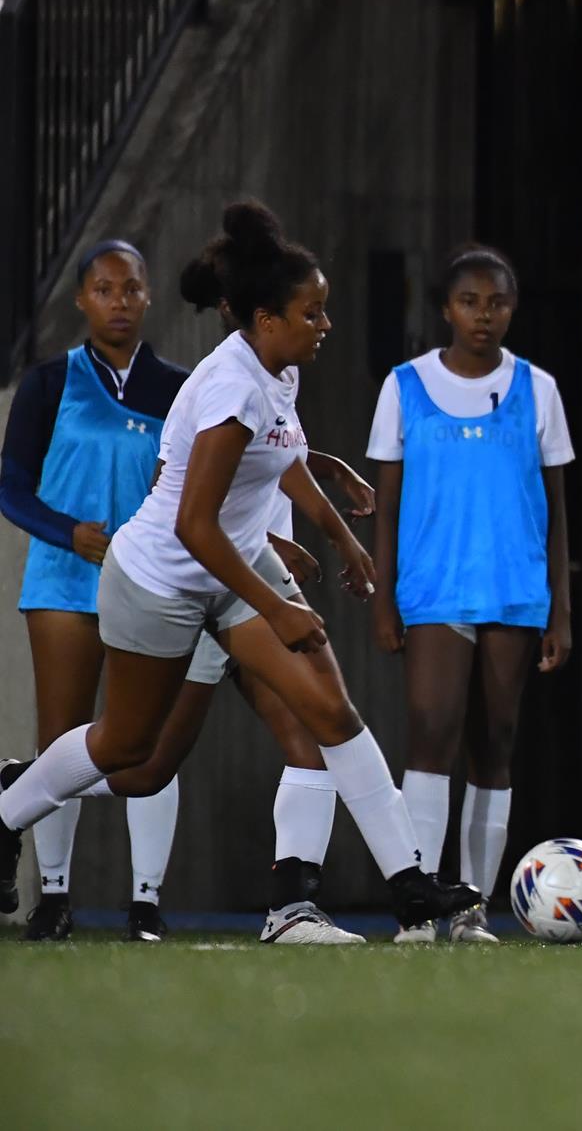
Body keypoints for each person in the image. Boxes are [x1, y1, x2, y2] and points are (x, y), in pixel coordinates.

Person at [0, 201, 479, 933]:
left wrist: (339, 535)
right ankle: (8, 807)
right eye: (312, 313)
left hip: (232, 566)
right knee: (129, 752)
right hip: (162, 577)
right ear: (263, 319)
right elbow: (194, 523)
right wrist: (276, 603)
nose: (325, 325)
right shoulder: (231, 385)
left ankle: (410, 882)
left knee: (330, 709)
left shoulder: (277, 369)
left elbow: (281, 457)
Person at [369, 245, 574, 943]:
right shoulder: (405, 384)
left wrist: (560, 607)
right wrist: (381, 595)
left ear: (513, 307)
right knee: (431, 729)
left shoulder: (537, 388)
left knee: (496, 740)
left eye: (497, 302)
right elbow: (386, 504)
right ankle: (422, 902)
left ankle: (471, 906)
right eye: (469, 302)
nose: (483, 316)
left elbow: (555, 506)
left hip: (513, 586)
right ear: (445, 307)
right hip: (432, 585)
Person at [0, 241, 189, 940]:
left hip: (151, 580)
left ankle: (145, 900)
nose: (118, 301)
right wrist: (65, 531)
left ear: (147, 296)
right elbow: (11, 486)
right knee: (66, 739)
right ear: (82, 300)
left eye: (130, 288)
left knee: (150, 741)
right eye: (104, 289)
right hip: (63, 579)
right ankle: (54, 896)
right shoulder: (51, 383)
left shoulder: (177, 388)